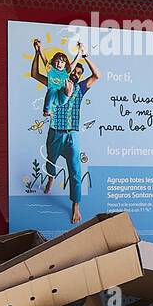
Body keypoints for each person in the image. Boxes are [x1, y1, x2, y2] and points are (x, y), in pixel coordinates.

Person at [41, 43, 100, 224]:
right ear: (68, 70)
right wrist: (39, 52)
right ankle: (51, 178)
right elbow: (37, 74)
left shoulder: (81, 88)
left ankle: (76, 204)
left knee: (75, 171)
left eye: (79, 73)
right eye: (74, 71)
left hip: (72, 135)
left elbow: (97, 75)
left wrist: (85, 55)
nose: (76, 74)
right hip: (55, 133)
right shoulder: (56, 81)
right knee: (50, 160)